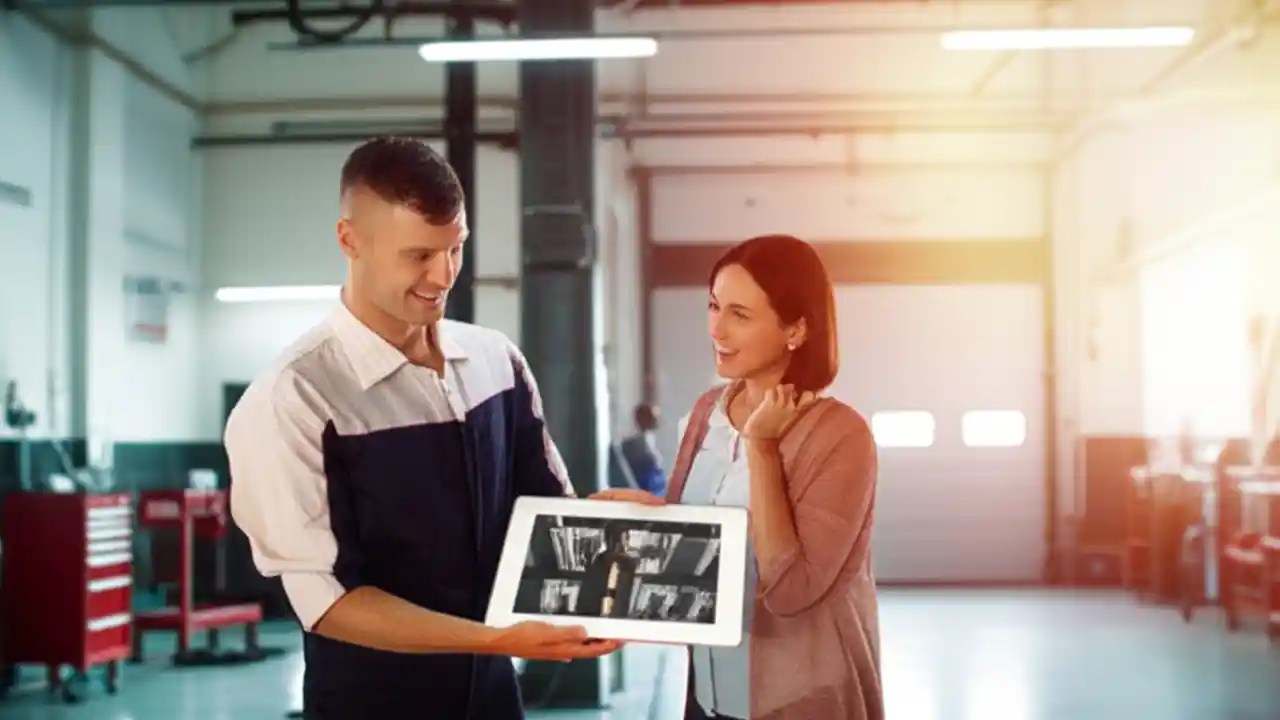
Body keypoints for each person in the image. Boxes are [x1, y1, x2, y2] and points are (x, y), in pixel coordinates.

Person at [224, 136, 619, 719]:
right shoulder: (295, 398)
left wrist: (613, 519)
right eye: (418, 255)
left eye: (455, 248)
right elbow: (330, 604)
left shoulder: (495, 362)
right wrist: (495, 641)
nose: (443, 275)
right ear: (348, 240)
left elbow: (544, 515)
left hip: (491, 700)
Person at [597, 234, 883, 719]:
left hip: (798, 700)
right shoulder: (707, 412)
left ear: (795, 329)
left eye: (740, 315)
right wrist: (648, 520)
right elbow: (705, 547)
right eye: (714, 306)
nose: (717, 329)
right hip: (707, 694)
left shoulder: (841, 435)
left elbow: (793, 590)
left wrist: (762, 447)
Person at [576, 523, 641, 619]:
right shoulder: (599, 563)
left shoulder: (630, 566)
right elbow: (587, 602)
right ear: (607, 540)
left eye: (624, 539)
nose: (618, 545)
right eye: (615, 540)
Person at [620, 403, 667, 496]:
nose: (657, 420)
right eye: (653, 416)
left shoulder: (649, 440)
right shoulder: (634, 445)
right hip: (646, 491)